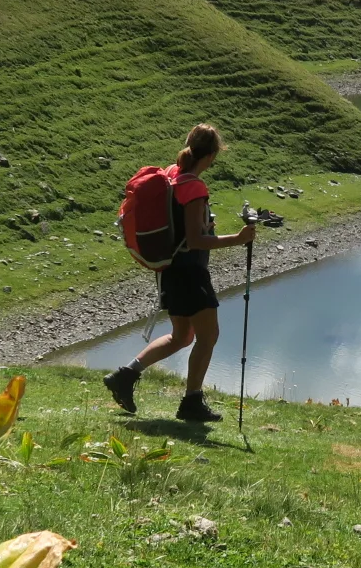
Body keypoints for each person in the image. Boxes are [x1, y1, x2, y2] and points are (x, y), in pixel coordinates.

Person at [103, 124, 256, 422]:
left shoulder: (173, 174)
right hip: (190, 272)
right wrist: (238, 239)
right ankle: (191, 402)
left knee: (182, 336)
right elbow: (196, 240)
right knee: (208, 335)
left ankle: (125, 375)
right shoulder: (195, 187)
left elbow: (186, 230)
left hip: (171, 270)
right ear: (211, 156)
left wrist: (202, 227)